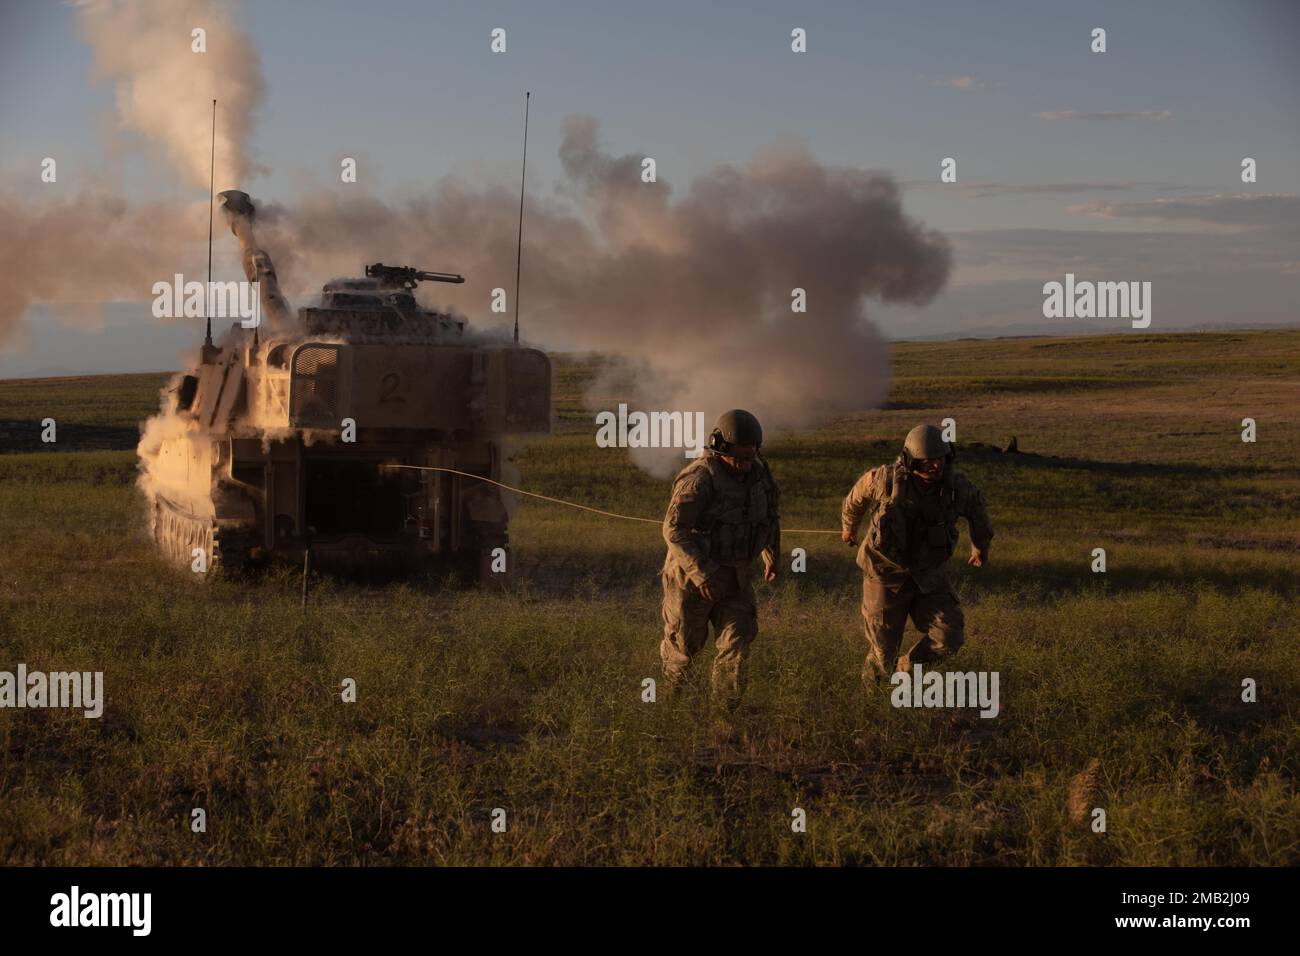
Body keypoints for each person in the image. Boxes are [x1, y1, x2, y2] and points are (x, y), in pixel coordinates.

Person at [841, 424, 993, 681]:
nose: (935, 466)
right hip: (884, 574)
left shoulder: (958, 489)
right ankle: (874, 706)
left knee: (949, 637)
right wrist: (849, 528)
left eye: (939, 459)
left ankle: (907, 668)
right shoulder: (883, 479)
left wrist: (979, 548)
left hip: (928, 576)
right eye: (926, 461)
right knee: (882, 651)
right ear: (910, 460)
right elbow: (854, 500)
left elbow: (980, 519)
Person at [660, 409, 780, 708]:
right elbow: (674, 530)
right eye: (740, 451)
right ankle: (670, 708)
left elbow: (769, 518)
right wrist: (703, 573)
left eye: (752, 449)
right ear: (721, 446)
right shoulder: (700, 478)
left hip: (736, 578)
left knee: (737, 645)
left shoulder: (760, 476)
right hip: (691, 580)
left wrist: (772, 555)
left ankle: (725, 715)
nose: (747, 457)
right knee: (684, 649)